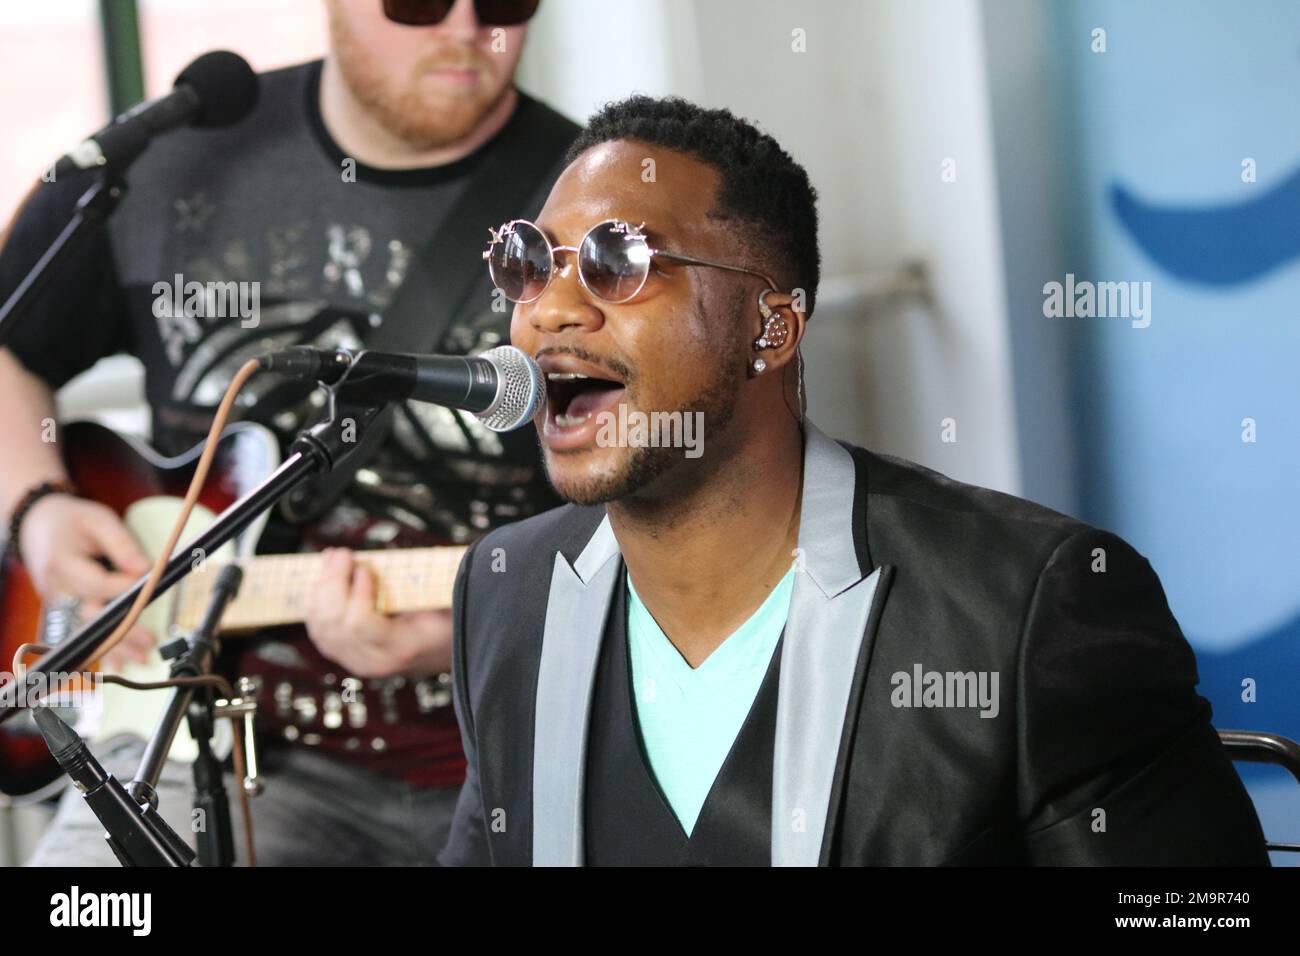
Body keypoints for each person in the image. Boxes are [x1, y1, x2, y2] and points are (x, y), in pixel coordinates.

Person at [439, 94, 1270, 866]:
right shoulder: (507, 595)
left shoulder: (1032, 609)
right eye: (529, 263)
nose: (548, 310)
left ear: (772, 329)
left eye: (617, 260)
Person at [0, 0, 577, 865]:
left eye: (503, 1)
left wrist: (469, 632)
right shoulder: (173, 163)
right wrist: (36, 508)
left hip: (519, 751)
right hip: (213, 748)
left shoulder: (592, 202)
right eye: (419, 0)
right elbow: (10, 346)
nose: (467, 29)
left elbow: (669, 509)